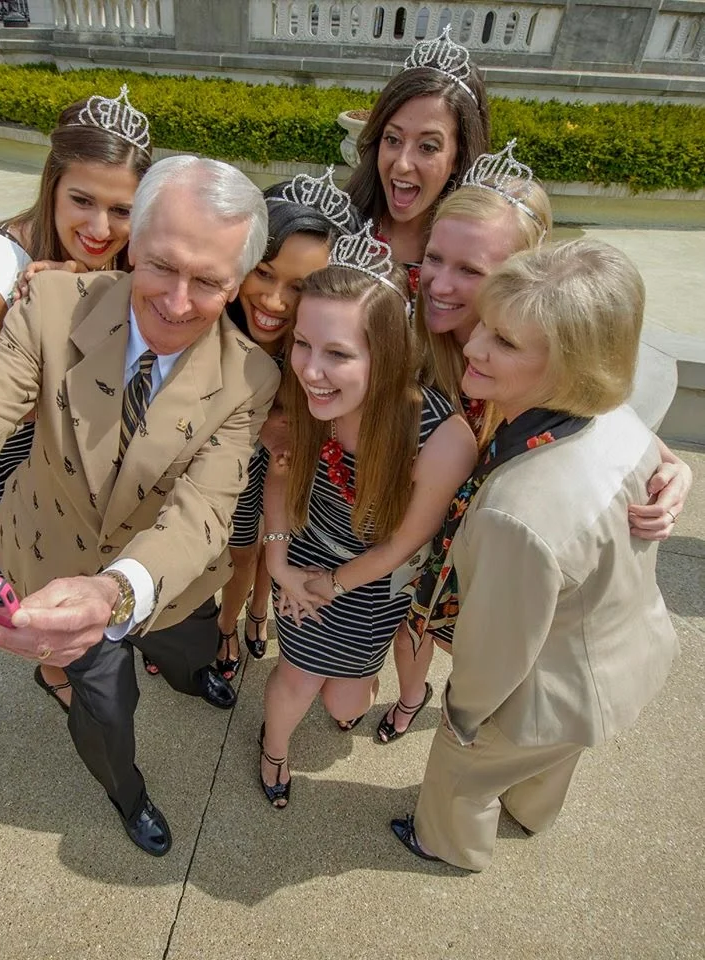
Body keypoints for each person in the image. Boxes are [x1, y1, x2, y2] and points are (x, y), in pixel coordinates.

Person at [0, 154, 281, 858]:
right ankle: (126, 794)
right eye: (162, 266)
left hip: (160, 583)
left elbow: (203, 512)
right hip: (49, 564)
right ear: (133, 242)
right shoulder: (50, 307)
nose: (176, 301)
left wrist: (114, 591)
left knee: (189, 645)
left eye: (209, 283)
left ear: (236, 285)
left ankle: (196, 674)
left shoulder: (251, 375)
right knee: (105, 714)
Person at [377, 142, 693, 745]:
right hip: (418, 510)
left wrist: (677, 469)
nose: (439, 286)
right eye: (434, 259)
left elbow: (596, 404)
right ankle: (411, 693)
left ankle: (433, 703)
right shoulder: (402, 318)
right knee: (407, 619)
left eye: (472, 272)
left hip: (493, 532)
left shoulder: (548, 347)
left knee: (477, 640)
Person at [390, 238, 679, 871]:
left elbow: (498, 649)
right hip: (618, 657)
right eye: (485, 327)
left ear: (574, 364)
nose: (473, 347)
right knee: (551, 761)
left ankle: (446, 844)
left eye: (506, 342)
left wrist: (463, 714)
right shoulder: (615, 418)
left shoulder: (516, 511)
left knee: (464, 774)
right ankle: (532, 810)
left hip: (539, 691)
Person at [257, 225, 477, 808]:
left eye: (338, 354)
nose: (310, 370)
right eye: (303, 344)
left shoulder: (440, 437)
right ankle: (273, 749)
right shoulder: (305, 395)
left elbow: (410, 539)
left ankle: (375, 686)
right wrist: (280, 568)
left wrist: (331, 585)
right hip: (304, 557)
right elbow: (281, 472)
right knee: (296, 678)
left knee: (345, 704)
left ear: (387, 354)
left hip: (373, 582)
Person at [0, 87, 152, 578]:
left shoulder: (119, 258)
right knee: (26, 607)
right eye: (82, 200)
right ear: (52, 186)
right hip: (2, 473)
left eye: (122, 210)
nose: (101, 227)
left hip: (78, 479)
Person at [213, 168, 361, 680]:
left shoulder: (332, 353)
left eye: (299, 287)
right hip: (227, 465)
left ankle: (259, 610)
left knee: (272, 542)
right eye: (264, 272)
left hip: (288, 472)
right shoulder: (205, 319)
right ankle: (226, 625)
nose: (275, 301)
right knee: (239, 548)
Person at [345, 26, 490, 281]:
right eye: (393, 139)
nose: (402, 164)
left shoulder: (480, 255)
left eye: (428, 147)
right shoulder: (336, 227)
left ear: (458, 157)